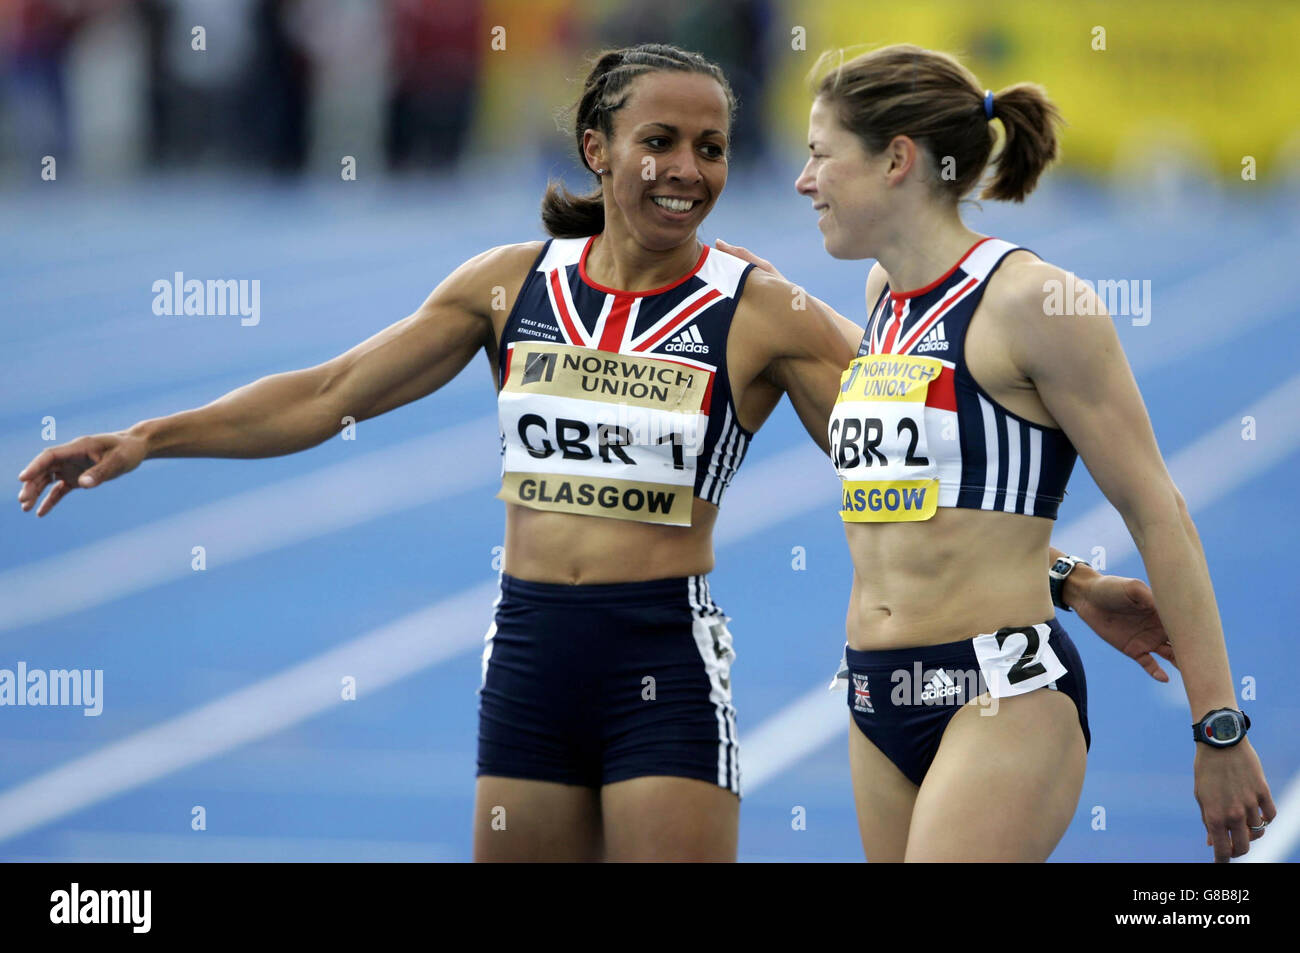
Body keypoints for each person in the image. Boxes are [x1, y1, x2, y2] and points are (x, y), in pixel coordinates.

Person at [16, 43, 1173, 863]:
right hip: (525, 654)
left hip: (660, 664)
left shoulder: (759, 310)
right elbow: (325, 394)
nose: (686, 169)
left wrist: (1065, 585)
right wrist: (149, 439)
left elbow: (908, 474)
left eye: (712, 148)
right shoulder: (507, 287)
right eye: (658, 142)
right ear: (595, 146)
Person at [766, 42, 1271, 862]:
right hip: (872, 694)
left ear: (897, 159)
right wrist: (1072, 580)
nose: (803, 179)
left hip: (998, 694)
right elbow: (949, 503)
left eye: (820, 154)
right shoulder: (883, 299)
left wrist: (1218, 729)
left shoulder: (1035, 300)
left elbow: (1158, 509)